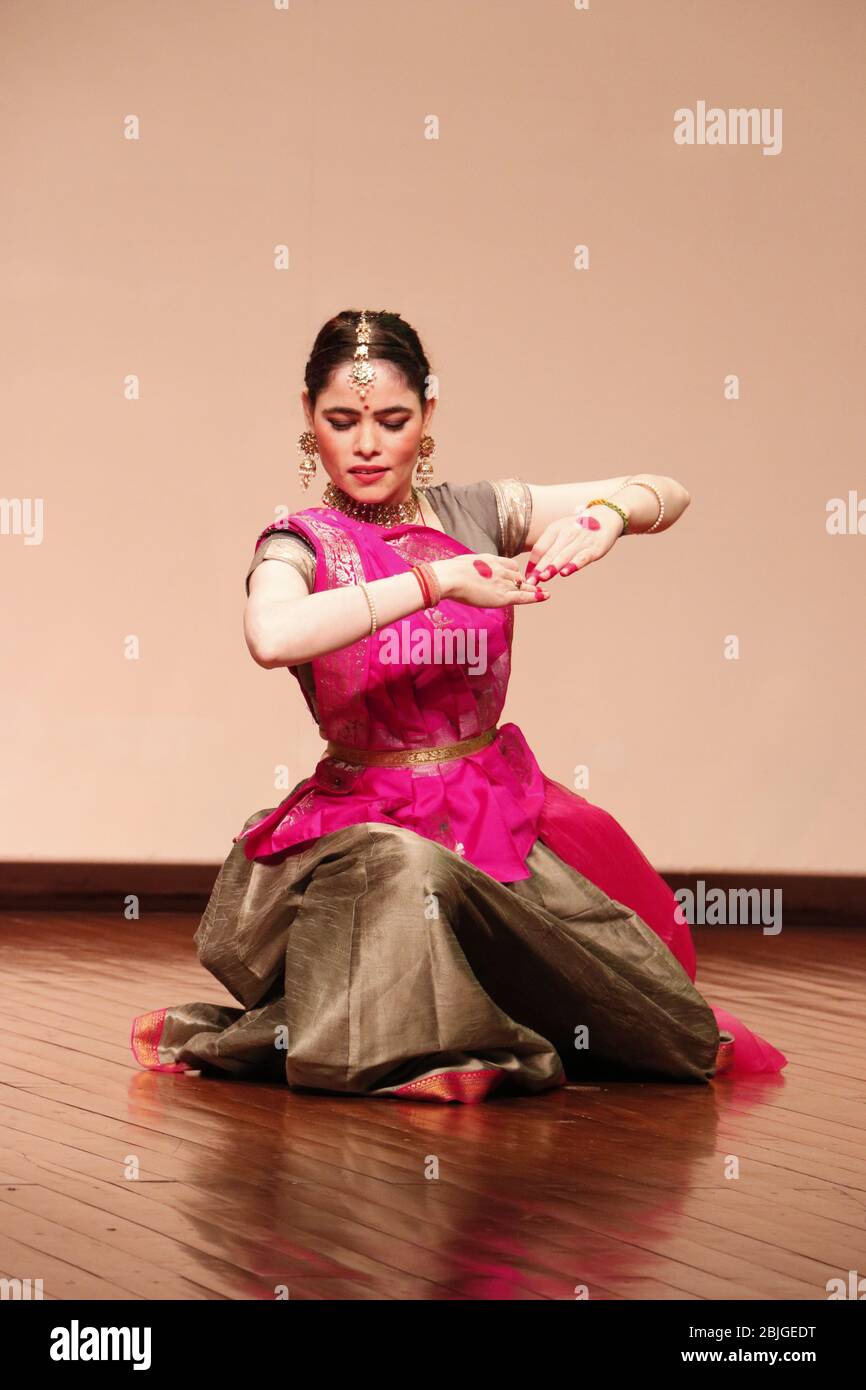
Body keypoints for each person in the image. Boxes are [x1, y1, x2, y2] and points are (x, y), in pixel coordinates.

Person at [131, 309, 787, 1103]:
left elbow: (667, 491)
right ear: (310, 420)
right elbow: (273, 636)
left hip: (490, 815)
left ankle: (469, 1017)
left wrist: (605, 519)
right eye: (342, 421)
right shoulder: (299, 542)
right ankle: (408, 1040)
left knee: (673, 1033)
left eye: (392, 421)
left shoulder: (473, 512)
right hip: (363, 827)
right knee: (403, 869)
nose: (367, 444)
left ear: (428, 417)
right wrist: (438, 581)